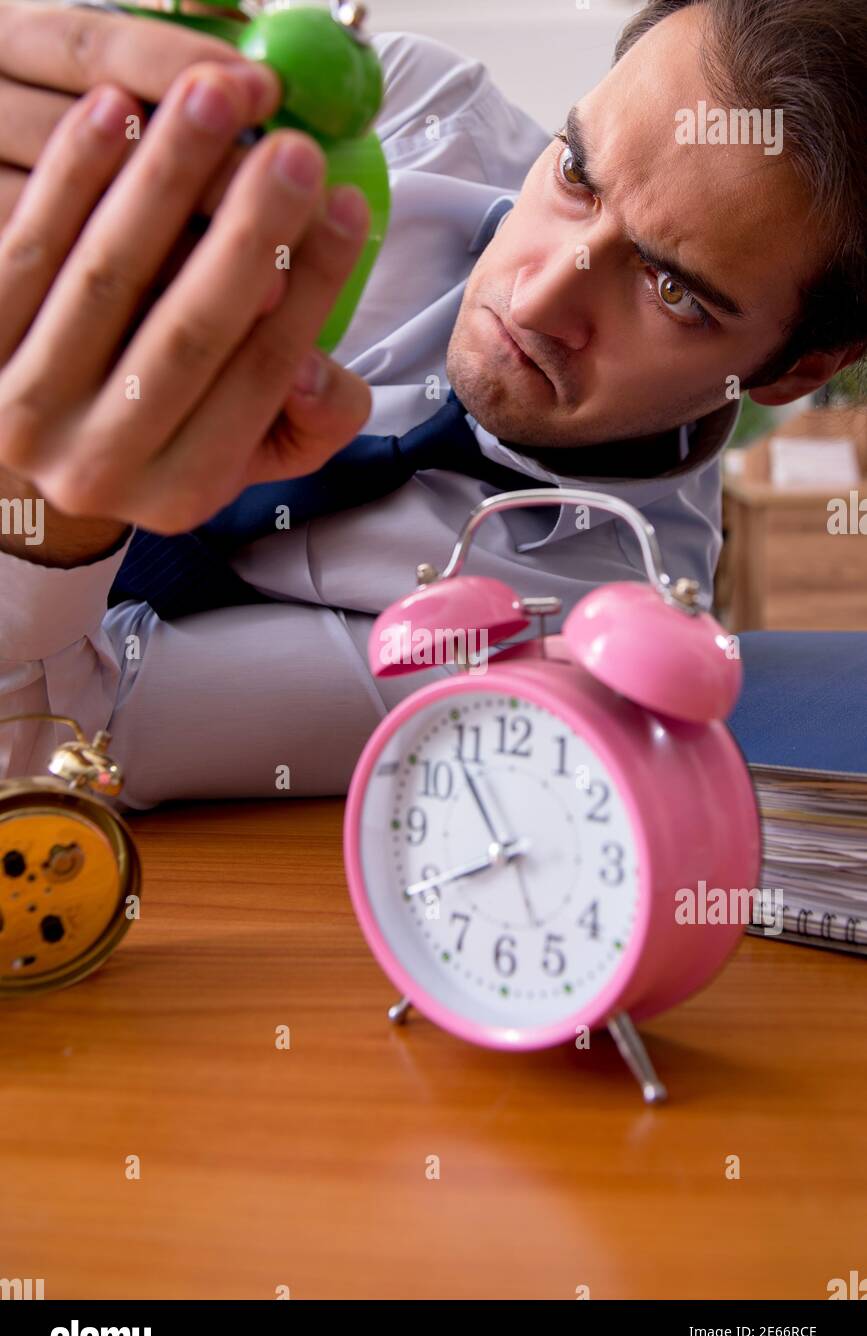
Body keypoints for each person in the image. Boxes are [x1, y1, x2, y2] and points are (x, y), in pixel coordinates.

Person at [0, 0, 864, 808]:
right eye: (575, 174)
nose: (532, 306)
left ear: (794, 371)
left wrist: (46, 497)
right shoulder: (414, 113)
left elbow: (61, 744)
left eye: (673, 293)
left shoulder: (574, 636)